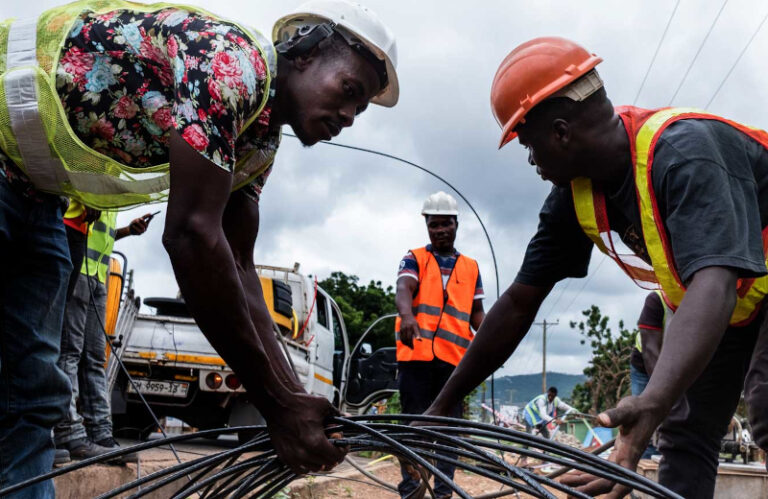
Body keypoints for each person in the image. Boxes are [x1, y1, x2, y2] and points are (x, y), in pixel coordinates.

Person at [0, 0, 399, 495]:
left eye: (359, 108)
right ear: (304, 56)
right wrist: (275, 403)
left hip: (33, 196)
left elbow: (238, 266)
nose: (349, 115)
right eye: (349, 91)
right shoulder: (230, 63)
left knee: (33, 392)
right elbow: (191, 237)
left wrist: (295, 397)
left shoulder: (259, 142)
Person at [421, 36, 768, 499]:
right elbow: (521, 302)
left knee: (765, 407)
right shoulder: (574, 196)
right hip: (737, 296)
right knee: (684, 433)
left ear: (561, 133)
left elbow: (715, 283)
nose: (532, 162)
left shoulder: (684, 152)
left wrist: (652, 398)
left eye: (529, 145)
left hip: (733, 289)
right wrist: (444, 404)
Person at [395, 191, 485, 499]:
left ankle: (443, 493)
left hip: (453, 363)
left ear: (456, 224)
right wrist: (407, 315)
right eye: (434, 225)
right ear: (427, 226)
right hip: (416, 357)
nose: (440, 231)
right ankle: (412, 490)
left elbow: (477, 314)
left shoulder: (471, 267)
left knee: (447, 431)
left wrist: (493, 343)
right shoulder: (414, 257)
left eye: (445, 224)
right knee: (413, 426)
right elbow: (404, 288)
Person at [55, 210, 154, 463]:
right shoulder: (92, 177)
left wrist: (127, 231)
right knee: (70, 352)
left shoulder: (110, 193)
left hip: (100, 274)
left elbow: (103, 235)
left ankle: (100, 434)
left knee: (95, 358)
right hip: (78, 269)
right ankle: (69, 432)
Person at [630, 291, 669, 459]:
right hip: (644, 366)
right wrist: (667, 396)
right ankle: (644, 458)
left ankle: (665, 451)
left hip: (674, 365)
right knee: (644, 413)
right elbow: (650, 353)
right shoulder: (656, 300)